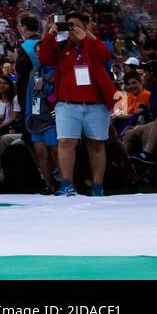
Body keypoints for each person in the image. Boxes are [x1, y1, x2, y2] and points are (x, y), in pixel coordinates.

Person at [38, 11, 117, 197]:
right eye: (68, 25)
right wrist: (51, 33)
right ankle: (67, 184)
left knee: (97, 144)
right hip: (67, 104)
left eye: (75, 25)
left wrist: (87, 38)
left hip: (96, 104)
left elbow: (104, 55)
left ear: (85, 27)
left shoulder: (95, 45)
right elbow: (44, 58)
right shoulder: (62, 47)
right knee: (65, 142)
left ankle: (98, 186)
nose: (71, 29)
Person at [15, 14, 60, 194]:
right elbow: (28, 95)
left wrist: (47, 87)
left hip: (49, 117)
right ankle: (48, 184)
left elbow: (55, 95)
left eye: (41, 52)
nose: (38, 54)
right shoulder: (34, 72)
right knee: (41, 152)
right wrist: (27, 115)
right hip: (34, 117)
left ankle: (63, 182)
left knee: (55, 150)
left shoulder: (52, 72)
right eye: (38, 53)